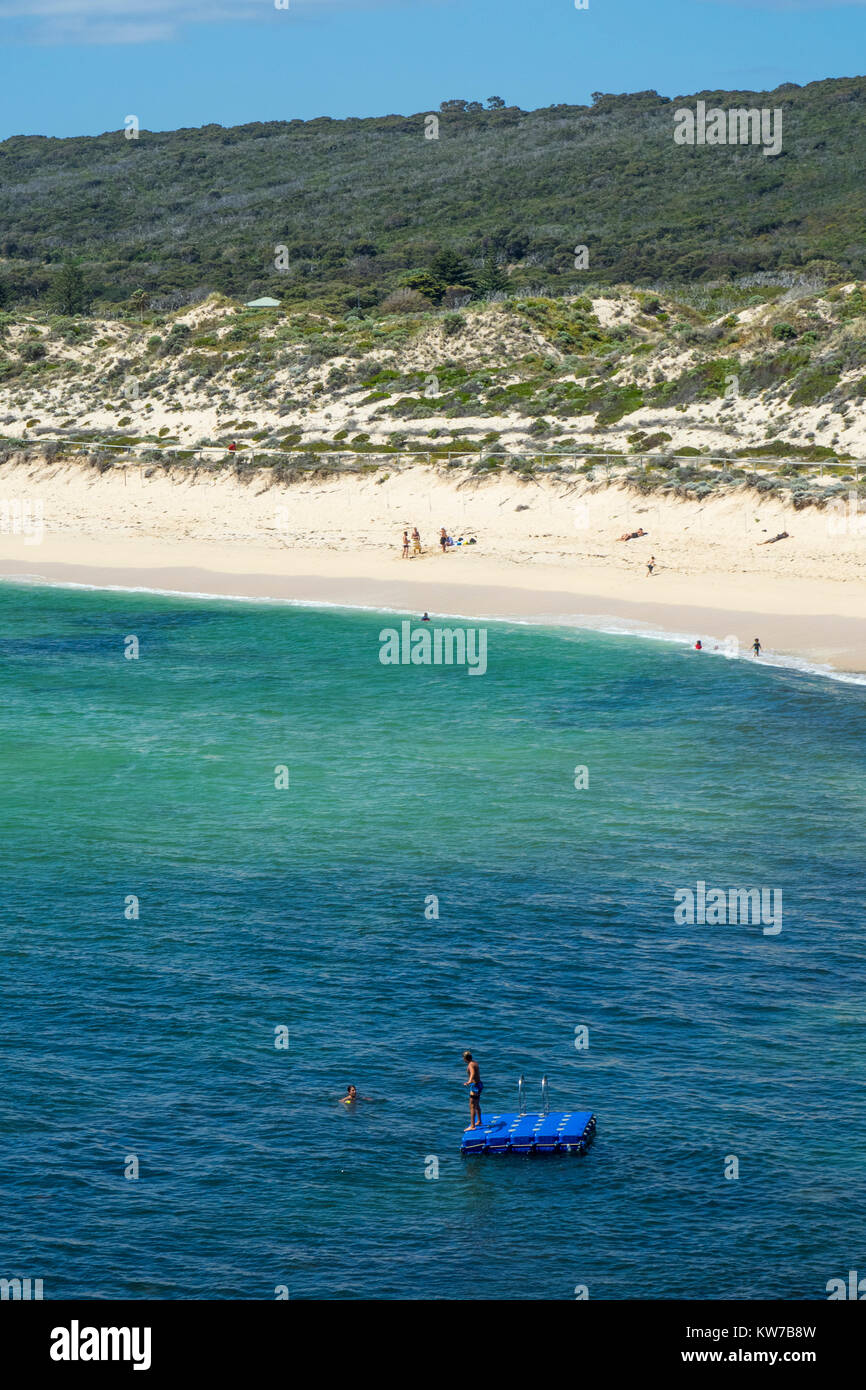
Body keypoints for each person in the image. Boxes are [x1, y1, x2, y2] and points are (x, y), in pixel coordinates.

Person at [462, 1051, 483, 1130]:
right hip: (479, 1084)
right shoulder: (475, 1062)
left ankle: (472, 1126)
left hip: (474, 1086)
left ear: (465, 1058)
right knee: (477, 1104)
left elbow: (473, 1073)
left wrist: (469, 1081)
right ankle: (479, 1121)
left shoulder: (470, 1064)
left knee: (472, 1106)